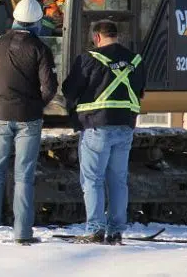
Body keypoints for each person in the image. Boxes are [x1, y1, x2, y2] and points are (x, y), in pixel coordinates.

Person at [0, 0, 57, 244]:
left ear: (15, 19)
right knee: (23, 176)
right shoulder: (40, 48)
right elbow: (50, 87)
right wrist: (34, 104)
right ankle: (23, 234)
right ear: (37, 22)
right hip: (28, 119)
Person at [62, 20, 146, 244]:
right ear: (116, 36)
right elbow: (140, 90)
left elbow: (69, 90)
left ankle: (95, 229)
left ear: (97, 37)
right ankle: (117, 230)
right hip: (126, 127)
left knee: (93, 180)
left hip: (96, 127)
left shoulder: (90, 59)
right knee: (118, 180)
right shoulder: (135, 60)